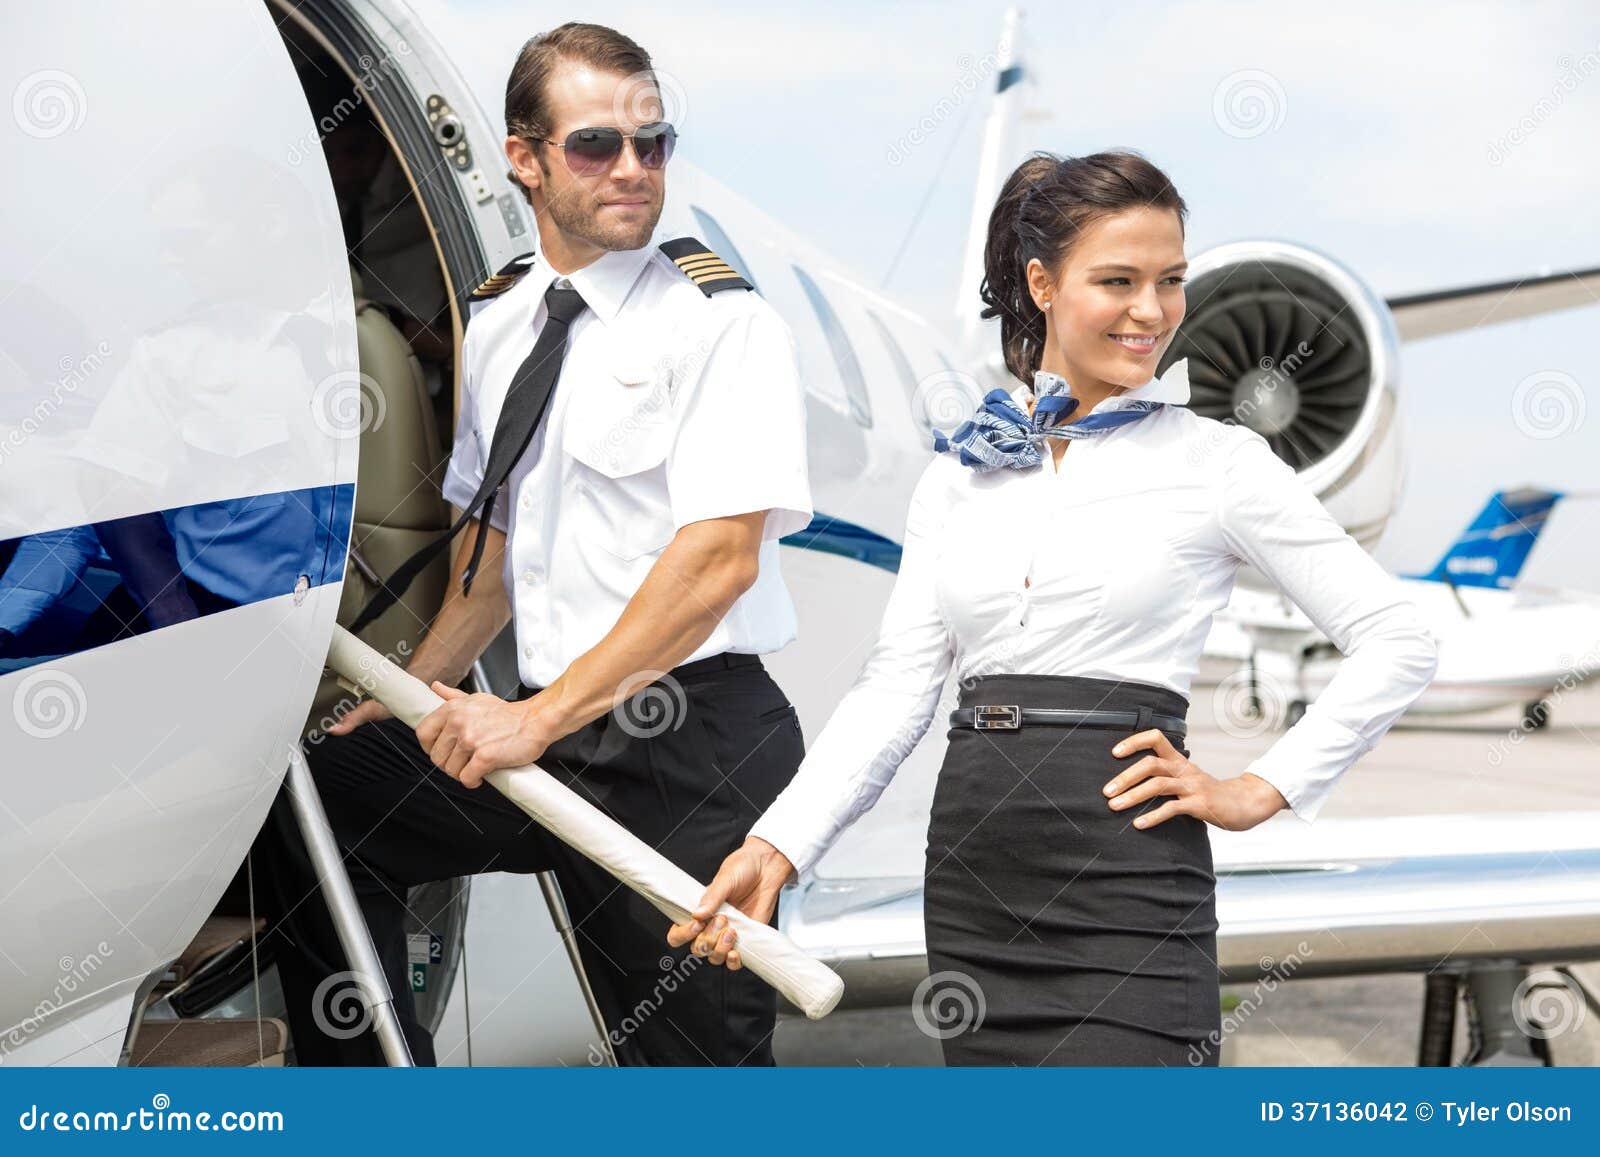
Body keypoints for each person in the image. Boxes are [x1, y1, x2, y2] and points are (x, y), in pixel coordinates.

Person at [669, 150, 1440, 1066]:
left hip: (1128, 871)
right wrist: (779, 842)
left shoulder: (1216, 462)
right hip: (978, 875)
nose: (1151, 311)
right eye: (1118, 281)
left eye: (1171, 281)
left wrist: (1255, 789)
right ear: (1041, 284)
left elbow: (1398, 636)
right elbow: (896, 692)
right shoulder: (961, 474)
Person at [253, 22, 811, 1067]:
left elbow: (718, 560)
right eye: (598, 144)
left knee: (692, 1073)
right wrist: (418, 688)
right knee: (328, 793)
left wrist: (533, 718)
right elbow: (494, 548)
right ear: (525, 157)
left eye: (654, 143)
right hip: (552, 731)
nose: (634, 169)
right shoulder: (502, 319)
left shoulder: (720, 324)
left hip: (684, 745)